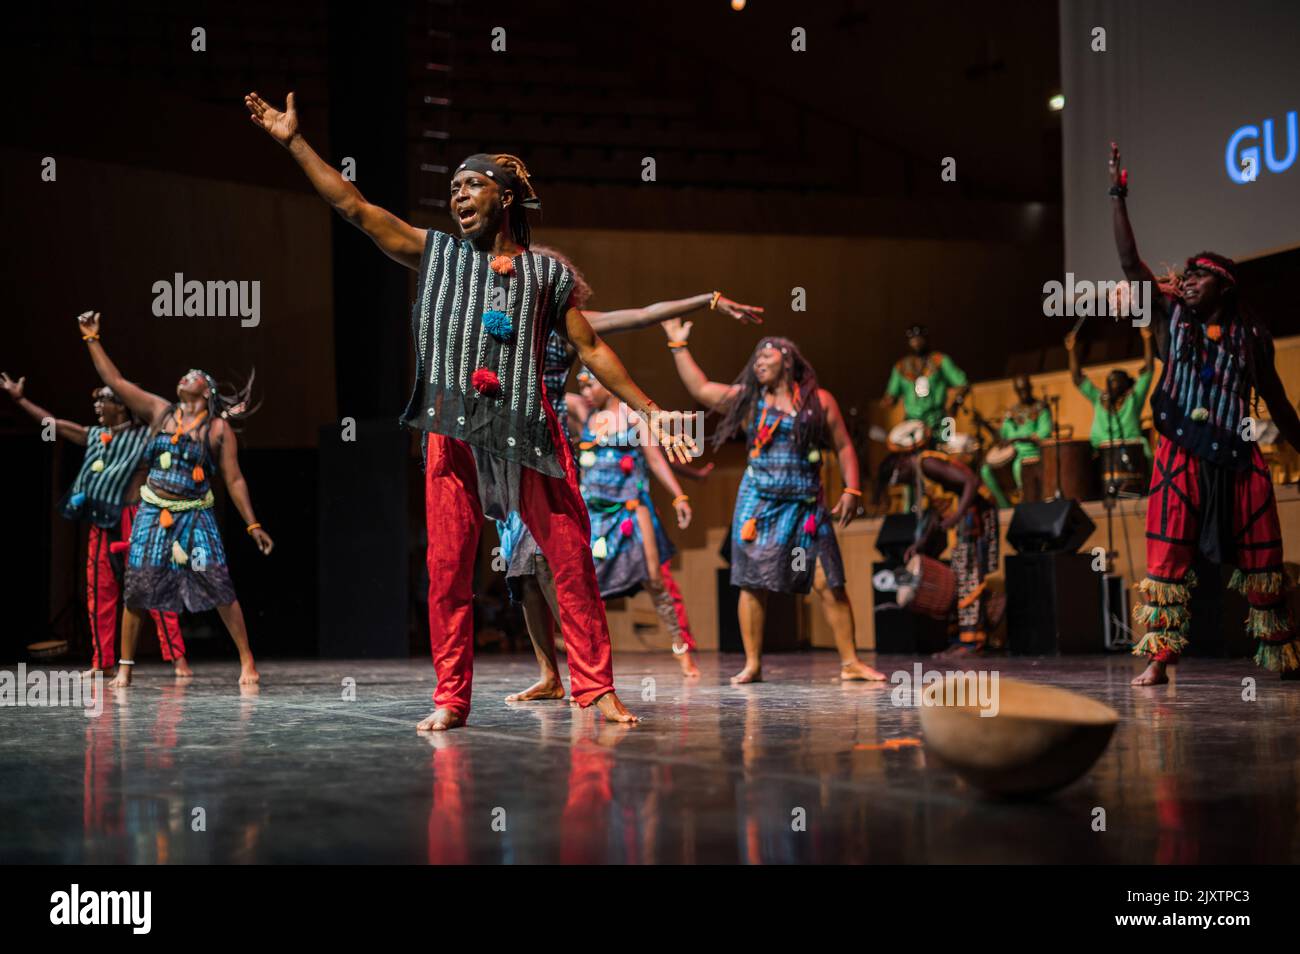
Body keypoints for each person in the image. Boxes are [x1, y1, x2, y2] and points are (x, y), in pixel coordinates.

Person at [245, 91, 692, 728]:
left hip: (531, 429)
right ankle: (451, 699)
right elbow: (353, 207)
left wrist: (650, 409)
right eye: (452, 186)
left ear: (505, 197)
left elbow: (592, 348)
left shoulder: (547, 276)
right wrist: (293, 142)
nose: (457, 194)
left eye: (472, 184)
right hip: (451, 429)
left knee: (571, 560)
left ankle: (595, 689)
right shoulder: (436, 254)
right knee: (448, 570)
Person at [498, 247, 761, 701]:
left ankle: (595, 673)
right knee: (521, 567)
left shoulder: (570, 323)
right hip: (511, 448)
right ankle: (549, 674)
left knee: (555, 564)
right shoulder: (504, 326)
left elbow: (641, 314)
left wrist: (708, 299)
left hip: (552, 449)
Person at [1108, 141, 1300, 685]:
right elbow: (1129, 263)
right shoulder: (1172, 318)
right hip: (1179, 450)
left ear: (1226, 286)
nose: (1186, 280)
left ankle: (1283, 653)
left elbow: (1281, 405)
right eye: (1185, 274)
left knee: (1264, 557)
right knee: (1166, 559)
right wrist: (1117, 195)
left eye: (1199, 276)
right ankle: (1160, 662)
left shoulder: (1251, 337)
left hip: (1237, 454)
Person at [662, 319, 884, 684]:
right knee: (752, 582)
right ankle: (753, 663)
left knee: (829, 581)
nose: (758, 362)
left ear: (788, 359)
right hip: (759, 501)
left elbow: (844, 445)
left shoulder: (818, 401)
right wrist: (678, 346)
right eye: (756, 358)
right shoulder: (750, 401)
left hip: (805, 502)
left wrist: (852, 489)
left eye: (766, 355)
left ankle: (850, 662)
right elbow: (702, 389)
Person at [75, 312, 272, 687]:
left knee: (218, 584)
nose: (186, 375)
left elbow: (234, 479)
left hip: (196, 515)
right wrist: (92, 339)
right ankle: (125, 667)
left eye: (194, 375)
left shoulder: (217, 429)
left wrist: (253, 523)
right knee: (138, 585)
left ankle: (247, 661)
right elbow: (113, 380)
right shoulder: (160, 411)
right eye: (185, 374)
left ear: (207, 391)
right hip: (152, 511)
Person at [1, 374, 187, 675]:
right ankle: (103, 662)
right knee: (100, 592)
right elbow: (54, 426)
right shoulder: (94, 436)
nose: (97, 404)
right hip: (102, 521)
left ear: (123, 406)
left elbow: (160, 414)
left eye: (104, 399)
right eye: (96, 399)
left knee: (151, 586)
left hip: (136, 518)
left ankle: (178, 659)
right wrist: (20, 400)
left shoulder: (144, 435)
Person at [568, 367, 699, 675]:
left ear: (609, 384)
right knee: (586, 585)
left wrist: (679, 496)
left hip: (631, 506)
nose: (586, 392)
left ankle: (681, 650)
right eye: (582, 386)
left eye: (591, 385)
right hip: (595, 512)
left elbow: (654, 459)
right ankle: (588, 664)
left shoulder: (633, 417)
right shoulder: (583, 413)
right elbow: (553, 389)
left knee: (654, 578)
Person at [879, 446, 998, 654]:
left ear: (901, 464)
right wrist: (921, 543)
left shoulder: (927, 463)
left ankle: (972, 642)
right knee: (962, 576)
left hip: (976, 514)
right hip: (963, 517)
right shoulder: (921, 475)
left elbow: (971, 482)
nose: (903, 483)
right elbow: (938, 509)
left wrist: (957, 516)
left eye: (899, 479)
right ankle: (964, 637)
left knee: (968, 576)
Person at [1066, 323, 1156, 462]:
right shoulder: (1098, 398)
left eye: (1115, 381)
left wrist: (1147, 338)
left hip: (1130, 450)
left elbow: (1148, 369)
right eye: (1109, 381)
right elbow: (1077, 378)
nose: (1111, 384)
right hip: (1099, 450)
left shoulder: (1133, 398)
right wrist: (1071, 350)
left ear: (1125, 386)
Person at [882, 324, 969, 438]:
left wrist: (955, 404)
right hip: (913, 423)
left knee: (948, 447)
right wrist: (888, 400)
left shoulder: (939, 360)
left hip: (940, 420)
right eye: (912, 339)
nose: (916, 342)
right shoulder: (901, 367)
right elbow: (891, 393)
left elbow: (962, 383)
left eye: (919, 338)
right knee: (903, 445)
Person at [979, 375, 1051, 509]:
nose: (1023, 393)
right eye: (1020, 390)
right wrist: (985, 425)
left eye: (1026, 389)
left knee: (1019, 467)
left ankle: (1028, 506)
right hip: (1012, 456)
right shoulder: (1011, 412)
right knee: (985, 470)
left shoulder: (1041, 408)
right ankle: (1005, 507)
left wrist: (1018, 439)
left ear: (1031, 387)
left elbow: (1044, 435)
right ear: (1016, 391)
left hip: (1032, 455)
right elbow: (1002, 437)